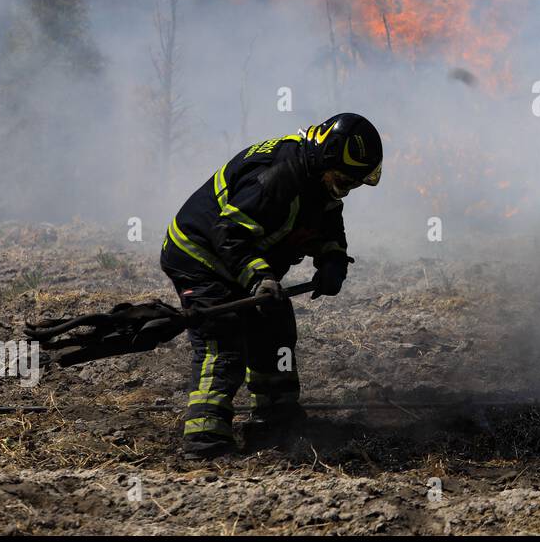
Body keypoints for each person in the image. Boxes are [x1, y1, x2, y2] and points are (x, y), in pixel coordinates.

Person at [160, 113, 382, 458]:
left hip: (243, 260)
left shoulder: (317, 178)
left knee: (276, 327)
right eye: (342, 181)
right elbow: (229, 235)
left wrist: (333, 258)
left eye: (350, 184)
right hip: (202, 257)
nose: (345, 189)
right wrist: (259, 278)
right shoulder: (278, 176)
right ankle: (206, 440)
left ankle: (276, 422)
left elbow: (327, 220)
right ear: (325, 157)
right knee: (222, 342)